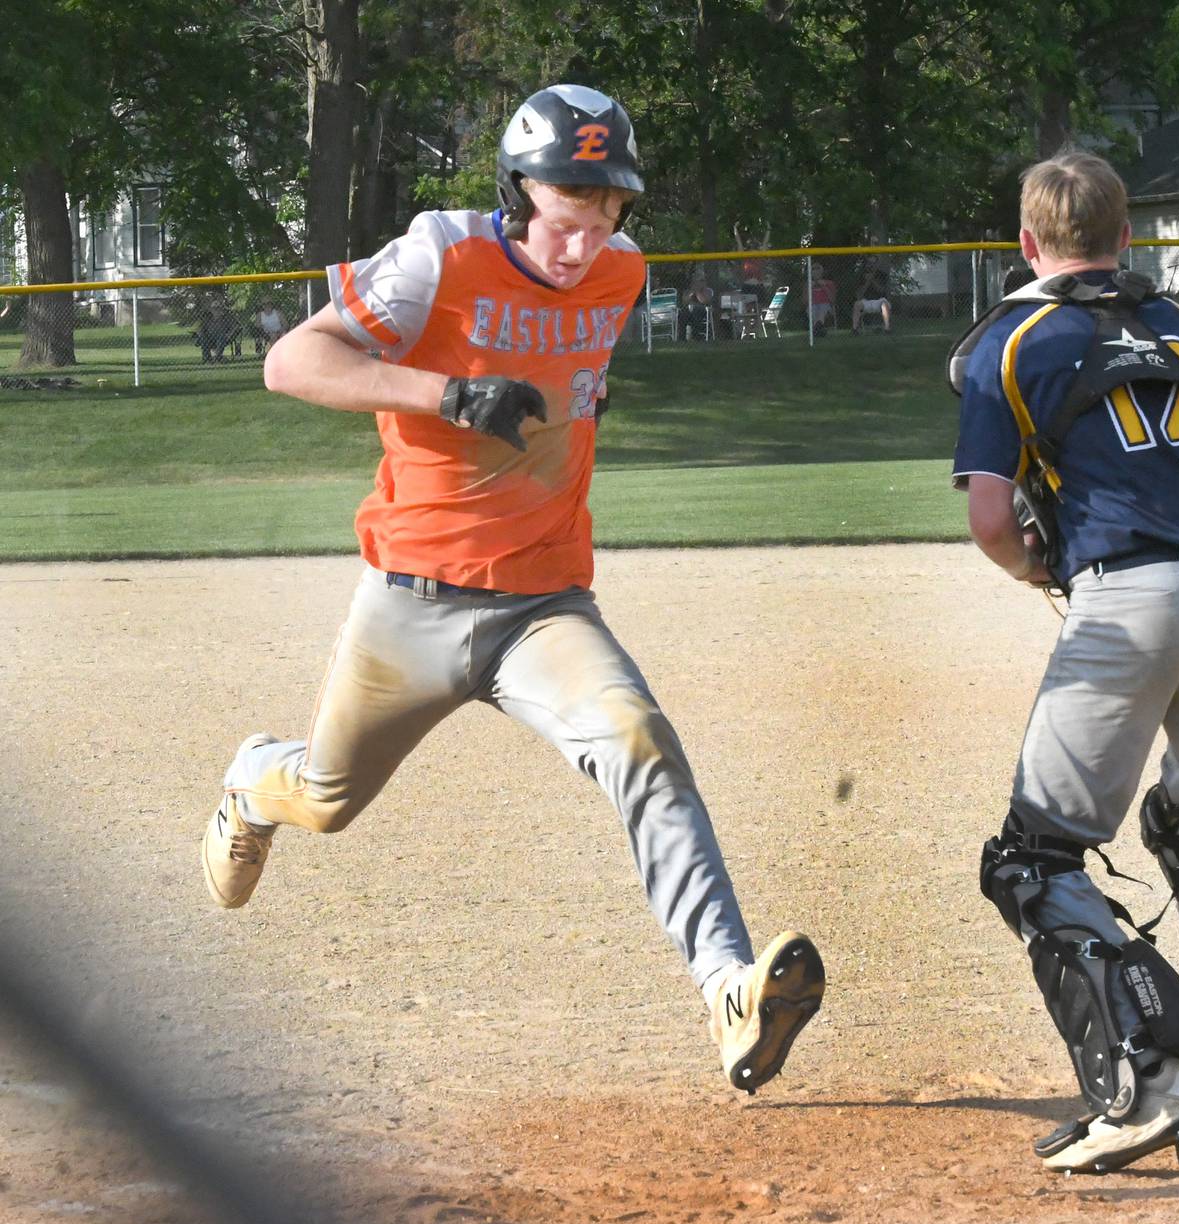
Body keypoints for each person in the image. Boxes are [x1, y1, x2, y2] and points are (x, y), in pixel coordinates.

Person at [200, 83, 825, 1095]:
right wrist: (444, 393)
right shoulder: (436, 258)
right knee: (326, 798)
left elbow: (579, 379)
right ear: (517, 191)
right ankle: (251, 781)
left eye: (605, 222)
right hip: (411, 602)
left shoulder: (619, 275)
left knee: (642, 746)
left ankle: (729, 992)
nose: (583, 248)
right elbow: (291, 361)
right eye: (566, 222)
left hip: (544, 605)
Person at [952, 149, 1179, 1174]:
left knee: (1033, 859)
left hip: (1126, 594)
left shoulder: (1011, 337)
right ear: (1127, 237)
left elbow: (991, 518)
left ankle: (1151, 1078)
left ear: (1028, 244)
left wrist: (1042, 571)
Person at [851, 259, 892, 333]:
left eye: (873, 263)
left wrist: (872, 280)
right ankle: (855, 329)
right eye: (869, 263)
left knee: (884, 305)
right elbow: (859, 295)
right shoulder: (861, 276)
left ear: (876, 264)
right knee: (857, 304)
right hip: (866, 301)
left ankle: (887, 328)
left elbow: (881, 290)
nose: (871, 265)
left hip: (879, 300)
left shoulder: (882, 274)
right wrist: (867, 281)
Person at [680, 271, 714, 342]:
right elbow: (684, 302)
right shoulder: (688, 291)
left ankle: (696, 336)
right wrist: (691, 294)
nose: (699, 283)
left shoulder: (708, 291)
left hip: (702, 310)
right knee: (683, 313)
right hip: (689, 311)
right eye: (697, 281)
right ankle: (682, 338)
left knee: (696, 310)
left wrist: (698, 292)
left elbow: (704, 301)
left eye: (702, 281)